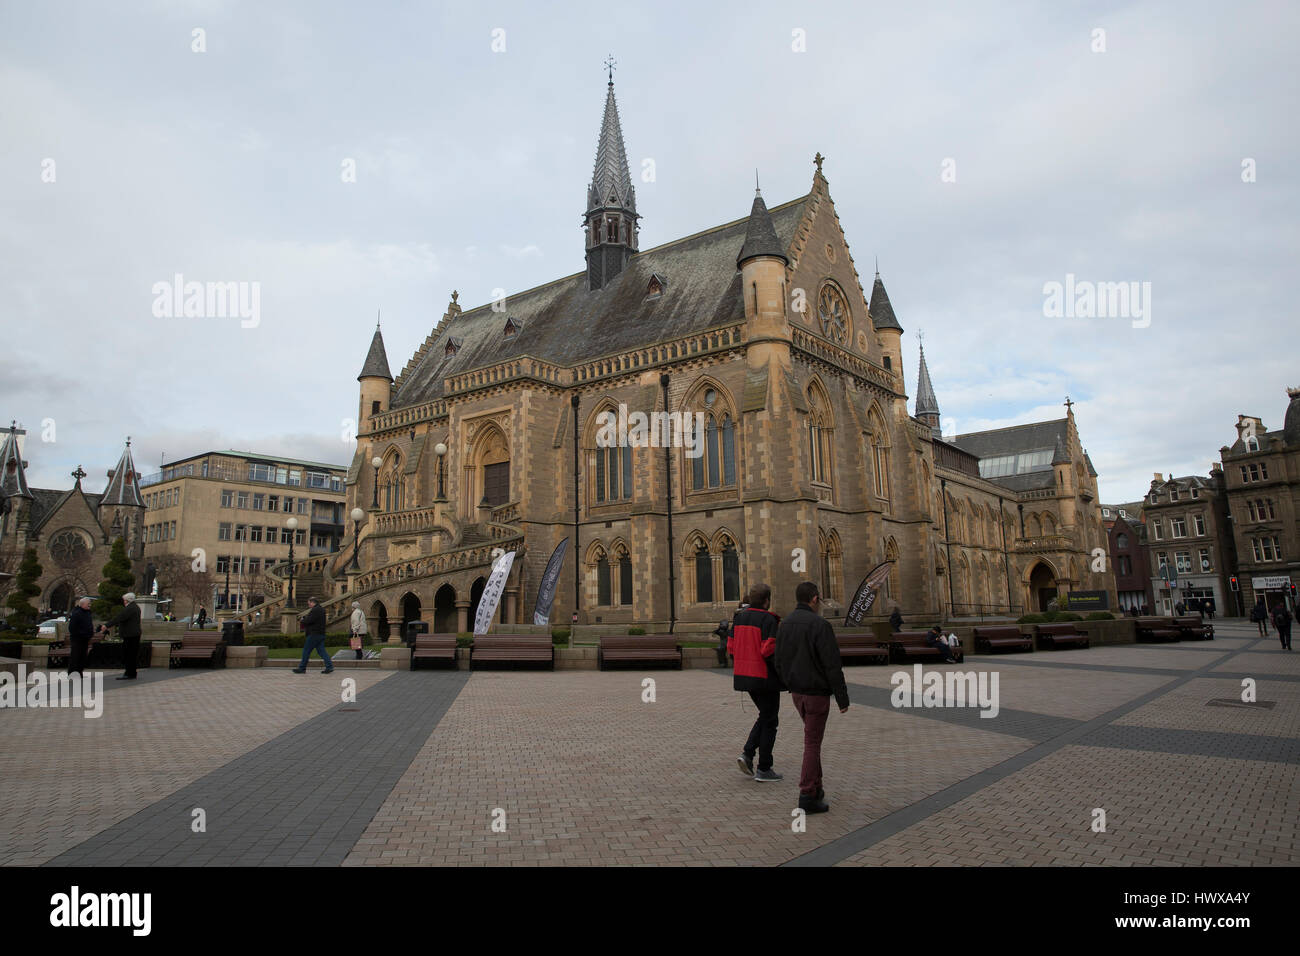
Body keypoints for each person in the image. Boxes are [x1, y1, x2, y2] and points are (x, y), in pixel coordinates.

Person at [774, 581, 849, 815]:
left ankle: (816, 787)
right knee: (812, 744)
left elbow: (778, 660)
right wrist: (842, 698)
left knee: (812, 739)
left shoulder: (785, 624)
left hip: (798, 692)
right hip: (816, 693)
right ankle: (807, 793)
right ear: (814, 599)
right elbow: (832, 664)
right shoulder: (820, 624)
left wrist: (790, 682)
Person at [731, 583, 783, 783]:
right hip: (764, 676)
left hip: (744, 676)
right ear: (767, 600)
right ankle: (764, 767)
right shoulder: (769, 619)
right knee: (770, 720)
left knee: (766, 716)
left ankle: (748, 754)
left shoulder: (739, 618)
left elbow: (731, 648)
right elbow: (768, 650)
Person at [100, 592, 142, 680]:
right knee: (132, 654)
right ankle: (132, 672)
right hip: (134, 634)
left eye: (124, 600)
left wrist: (106, 625)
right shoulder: (135, 607)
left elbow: (119, 617)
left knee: (128, 654)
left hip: (130, 635)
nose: (123, 602)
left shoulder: (130, 608)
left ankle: (129, 673)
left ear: (127, 600)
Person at [294, 597, 333, 674]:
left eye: (309, 603)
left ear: (312, 602)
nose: (309, 605)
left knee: (306, 651)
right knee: (322, 651)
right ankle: (329, 666)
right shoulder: (321, 609)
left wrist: (303, 620)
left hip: (314, 634)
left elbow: (310, 620)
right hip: (320, 633)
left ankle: (302, 668)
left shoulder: (315, 610)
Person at [67, 596, 95, 676]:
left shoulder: (87, 612)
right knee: (75, 656)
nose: (90, 605)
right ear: (82, 604)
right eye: (88, 604)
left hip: (85, 639)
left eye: (90, 604)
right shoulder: (77, 613)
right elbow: (72, 628)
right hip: (77, 639)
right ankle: (72, 673)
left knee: (82, 656)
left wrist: (90, 634)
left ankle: (79, 672)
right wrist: (81, 634)